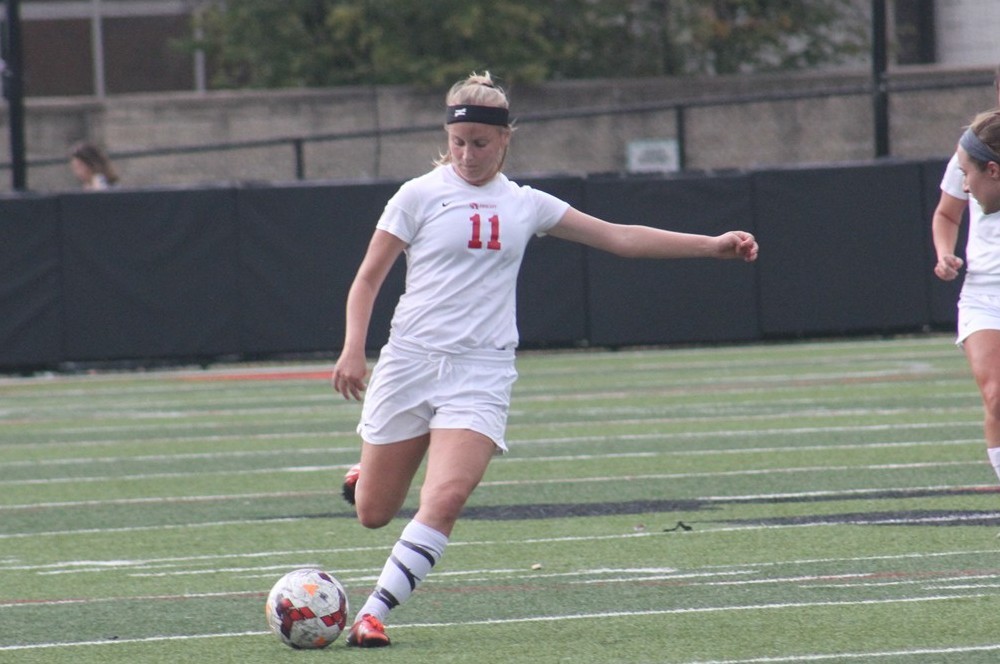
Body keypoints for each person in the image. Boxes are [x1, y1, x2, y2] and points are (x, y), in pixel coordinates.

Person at [330, 71, 759, 648]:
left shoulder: (525, 204)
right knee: (373, 512)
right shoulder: (417, 195)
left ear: (505, 139)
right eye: (458, 142)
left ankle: (373, 613)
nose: (468, 154)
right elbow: (367, 278)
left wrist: (712, 246)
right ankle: (368, 474)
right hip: (410, 363)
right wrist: (353, 349)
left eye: (480, 143)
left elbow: (620, 237)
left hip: (481, 371)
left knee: (446, 498)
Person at [932, 104, 1000, 487]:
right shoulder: (972, 150)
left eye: (968, 177)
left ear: (993, 171)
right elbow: (946, 214)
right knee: (997, 396)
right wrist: (944, 254)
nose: (966, 187)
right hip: (984, 293)